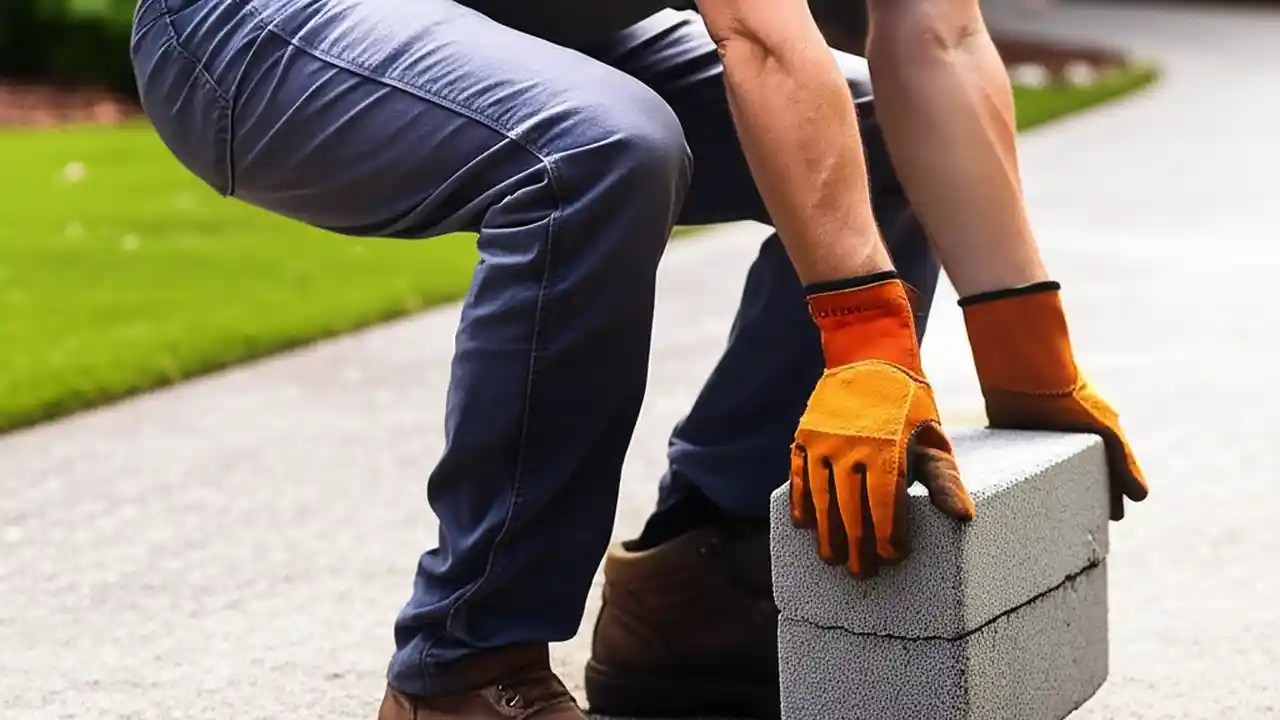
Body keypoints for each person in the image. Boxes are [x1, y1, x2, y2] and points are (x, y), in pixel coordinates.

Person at [129, 0, 1148, 717]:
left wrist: (1027, 352)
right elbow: (754, 32)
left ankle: (699, 586)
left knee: (872, 134)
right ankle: (463, 664)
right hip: (257, 25)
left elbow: (942, 35)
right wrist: (866, 342)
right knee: (597, 148)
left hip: (539, 19)